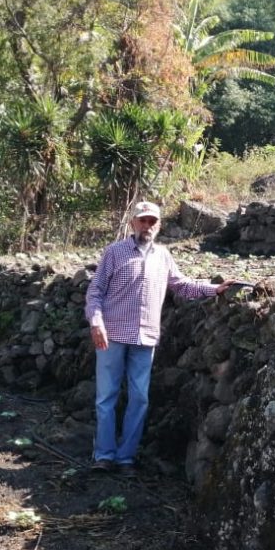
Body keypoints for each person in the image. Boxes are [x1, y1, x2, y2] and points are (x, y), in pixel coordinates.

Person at [84, 200, 237, 476]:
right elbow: (95, 292)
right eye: (142, 220)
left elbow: (181, 284)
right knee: (106, 397)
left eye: (152, 221)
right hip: (112, 335)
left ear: (159, 225)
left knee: (139, 399)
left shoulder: (163, 256)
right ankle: (104, 455)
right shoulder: (114, 252)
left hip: (145, 337)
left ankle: (125, 458)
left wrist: (214, 289)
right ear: (132, 222)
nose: (147, 225)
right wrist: (96, 323)